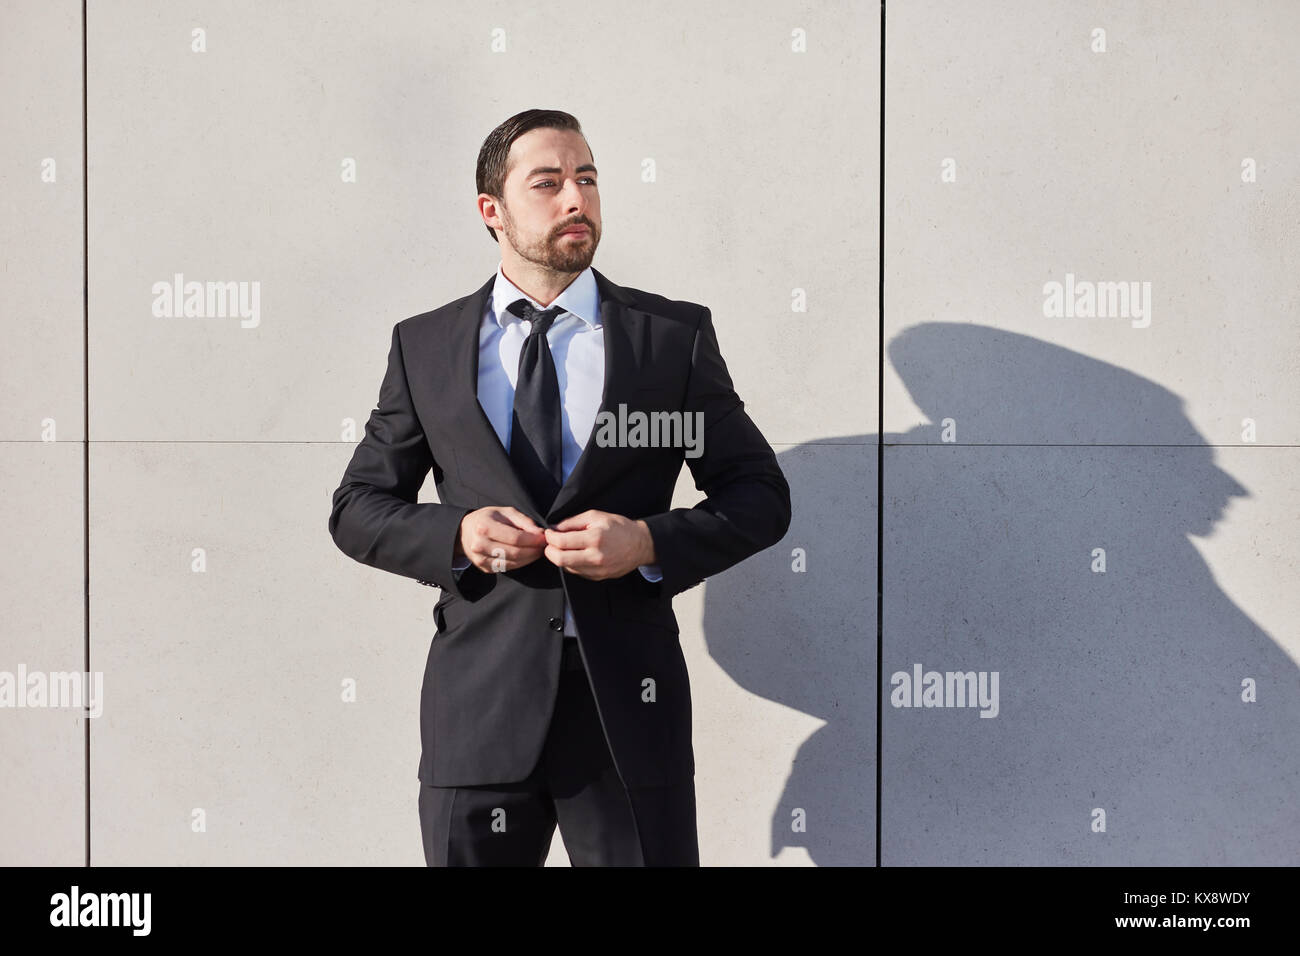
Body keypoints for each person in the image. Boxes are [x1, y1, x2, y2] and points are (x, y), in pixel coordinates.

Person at [329, 108, 791, 865]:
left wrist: (648, 541)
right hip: (477, 708)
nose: (576, 199)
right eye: (548, 183)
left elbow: (760, 496)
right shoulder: (426, 345)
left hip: (625, 711)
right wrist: (457, 535)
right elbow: (358, 508)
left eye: (587, 179)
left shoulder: (670, 338)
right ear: (492, 211)